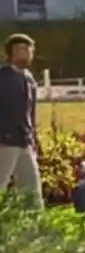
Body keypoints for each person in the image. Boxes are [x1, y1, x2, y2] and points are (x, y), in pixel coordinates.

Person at [0, 34, 42, 206]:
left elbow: (30, 113)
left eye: (29, 49)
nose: (26, 53)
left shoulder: (29, 79)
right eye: (21, 49)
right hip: (5, 141)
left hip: (25, 142)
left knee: (32, 189)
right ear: (11, 53)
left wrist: (34, 138)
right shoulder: (3, 77)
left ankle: (35, 228)